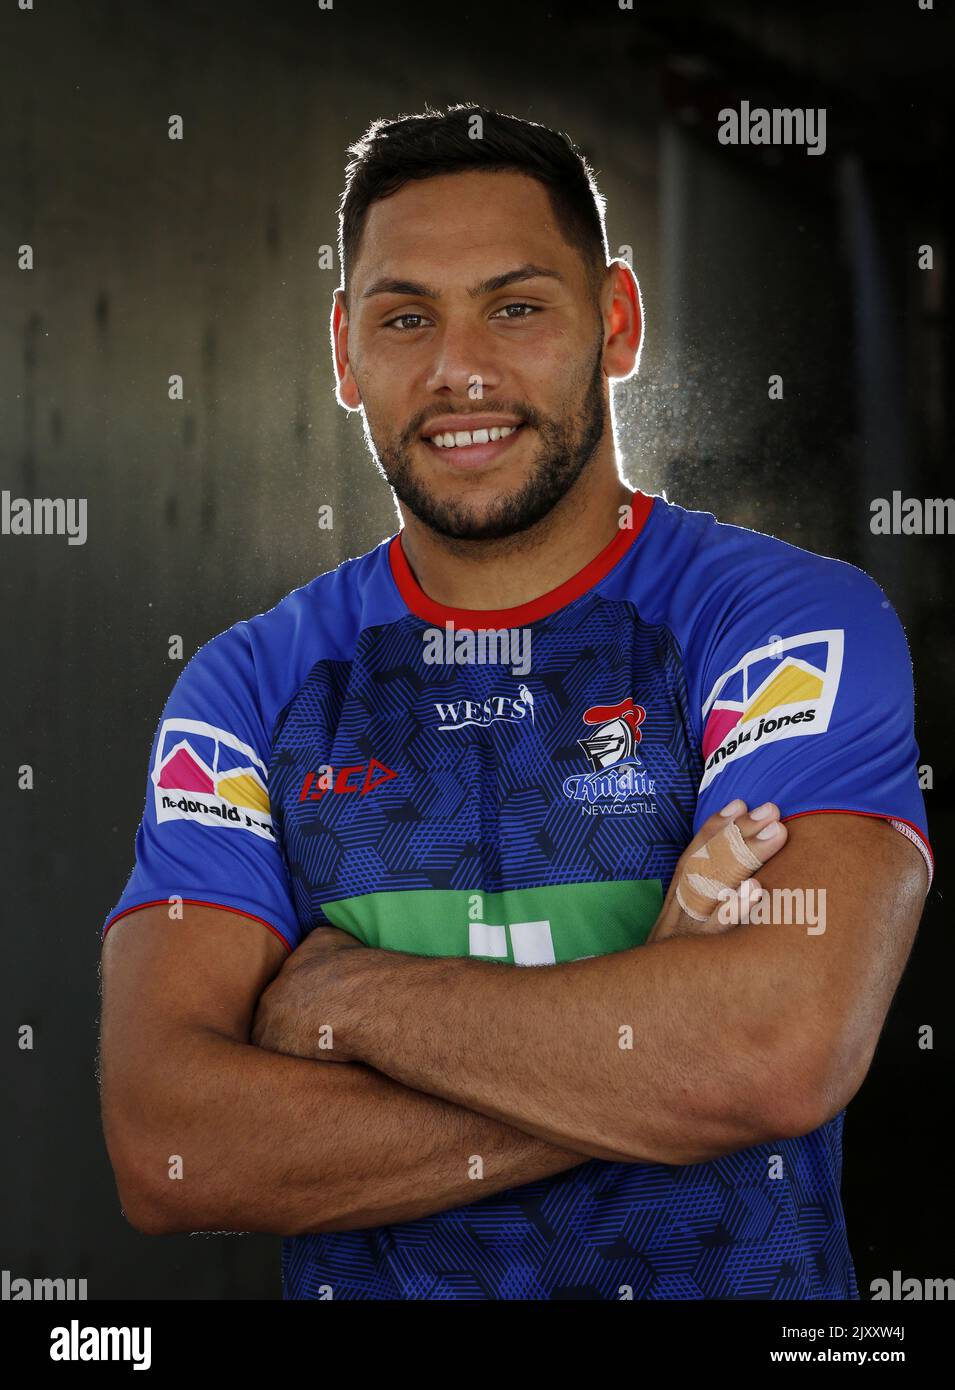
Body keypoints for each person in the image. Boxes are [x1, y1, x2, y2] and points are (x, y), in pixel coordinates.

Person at [98, 105, 931, 1300]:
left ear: (618, 321)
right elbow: (168, 1147)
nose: (459, 370)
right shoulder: (252, 687)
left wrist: (356, 1004)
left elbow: (775, 1048)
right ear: (344, 354)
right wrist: (656, 1044)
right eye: (404, 318)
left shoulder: (780, 622)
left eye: (518, 304)